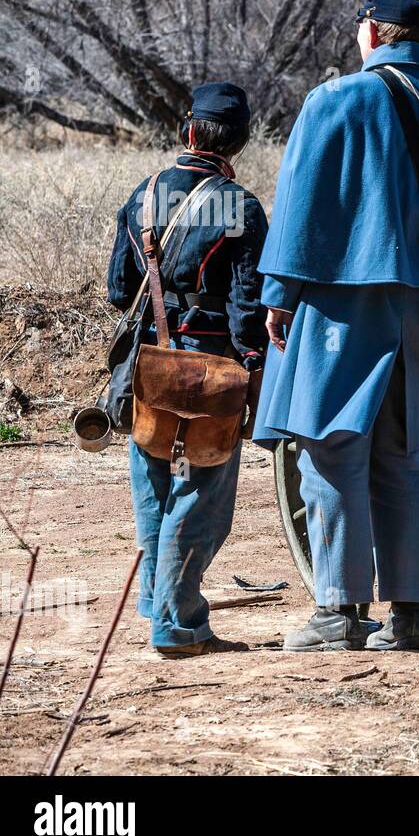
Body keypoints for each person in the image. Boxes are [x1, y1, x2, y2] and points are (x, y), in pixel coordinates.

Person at [254, 0, 419, 652]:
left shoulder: (334, 100)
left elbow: (301, 211)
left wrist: (277, 297)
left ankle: (339, 611)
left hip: (341, 306)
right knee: (407, 453)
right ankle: (412, 614)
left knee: (331, 451)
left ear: (370, 31)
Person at [107, 82, 267, 658]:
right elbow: (249, 311)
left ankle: (154, 601)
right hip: (211, 369)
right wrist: (252, 370)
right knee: (204, 493)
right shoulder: (242, 207)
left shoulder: (142, 195)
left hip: (149, 361)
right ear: (238, 143)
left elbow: (118, 289)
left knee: (151, 478)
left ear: (188, 130)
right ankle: (177, 624)